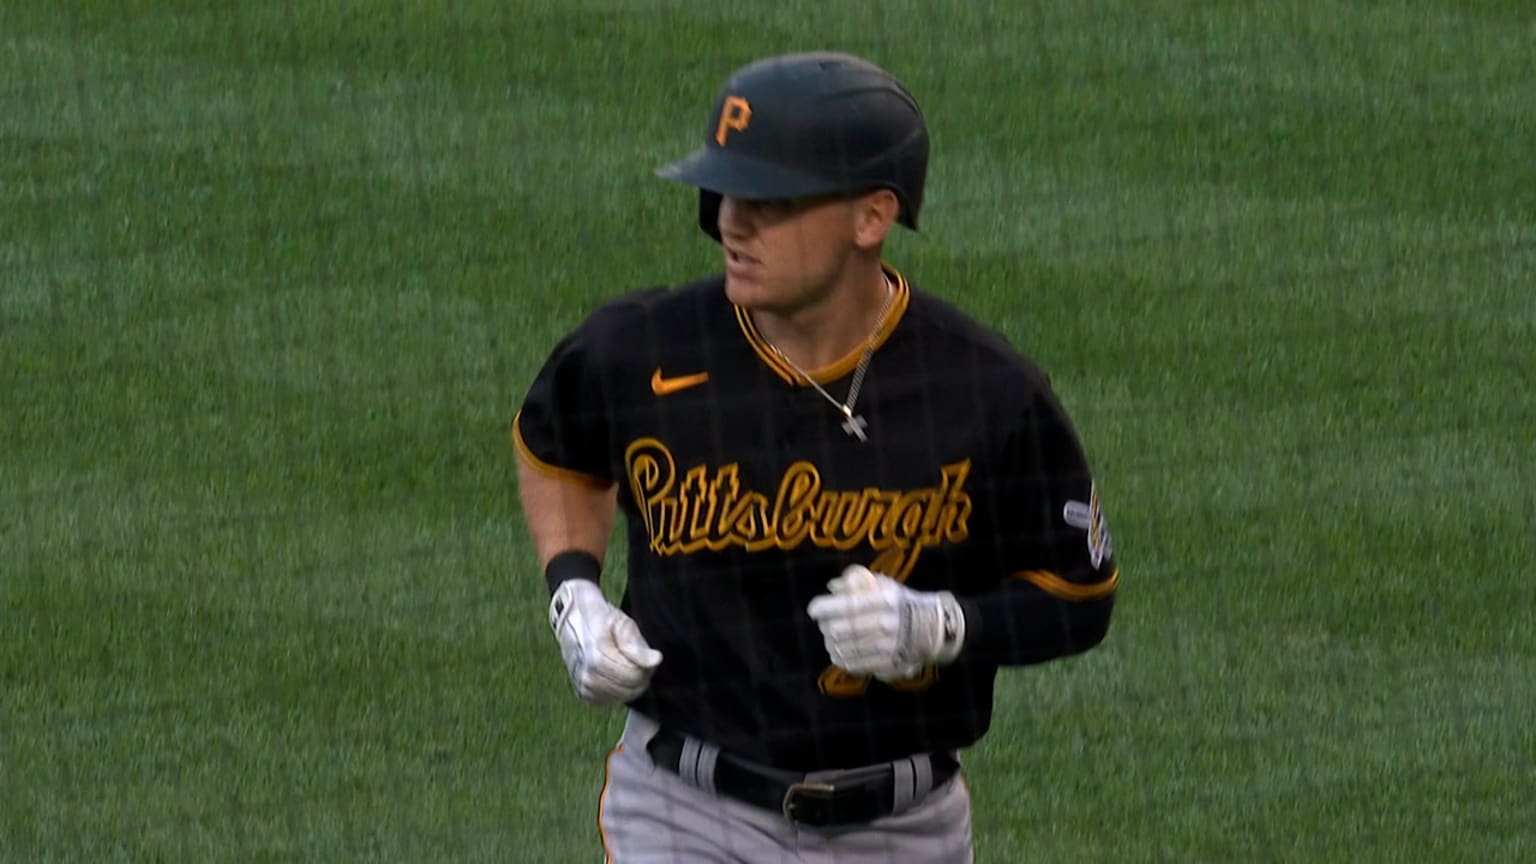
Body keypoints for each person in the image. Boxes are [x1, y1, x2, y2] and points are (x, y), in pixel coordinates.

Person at [513, 51, 1118, 864]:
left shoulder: (983, 389)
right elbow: (558, 448)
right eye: (724, 194)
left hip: (902, 830)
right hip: (683, 812)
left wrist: (942, 625)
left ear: (872, 216)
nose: (731, 224)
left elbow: (1079, 595)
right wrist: (573, 593)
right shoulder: (642, 350)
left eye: (770, 202)